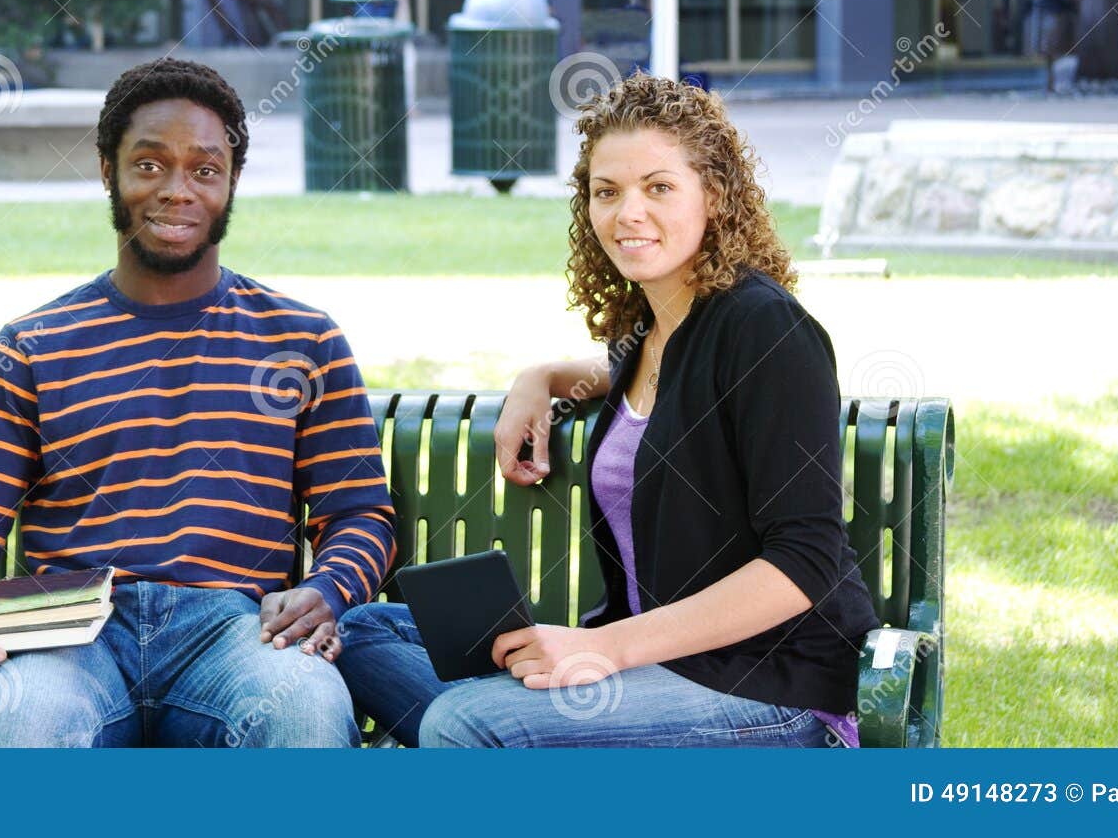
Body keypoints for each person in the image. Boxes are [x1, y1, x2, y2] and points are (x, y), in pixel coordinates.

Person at [335, 72, 878, 747]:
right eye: (607, 191)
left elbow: (806, 561)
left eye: (659, 186)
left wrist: (606, 650)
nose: (628, 214)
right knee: (359, 633)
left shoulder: (766, 329)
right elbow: (644, 379)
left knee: (463, 721)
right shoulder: (653, 335)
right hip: (650, 670)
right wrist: (543, 376)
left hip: (772, 689)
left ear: (714, 193)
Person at [0, 57, 396, 747]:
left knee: (304, 710)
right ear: (108, 169)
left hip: (234, 631)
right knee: (22, 721)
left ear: (230, 183)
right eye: (149, 164)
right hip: (67, 632)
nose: (177, 190)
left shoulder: (303, 341)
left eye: (204, 169)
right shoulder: (32, 347)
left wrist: (331, 588)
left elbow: (358, 513)